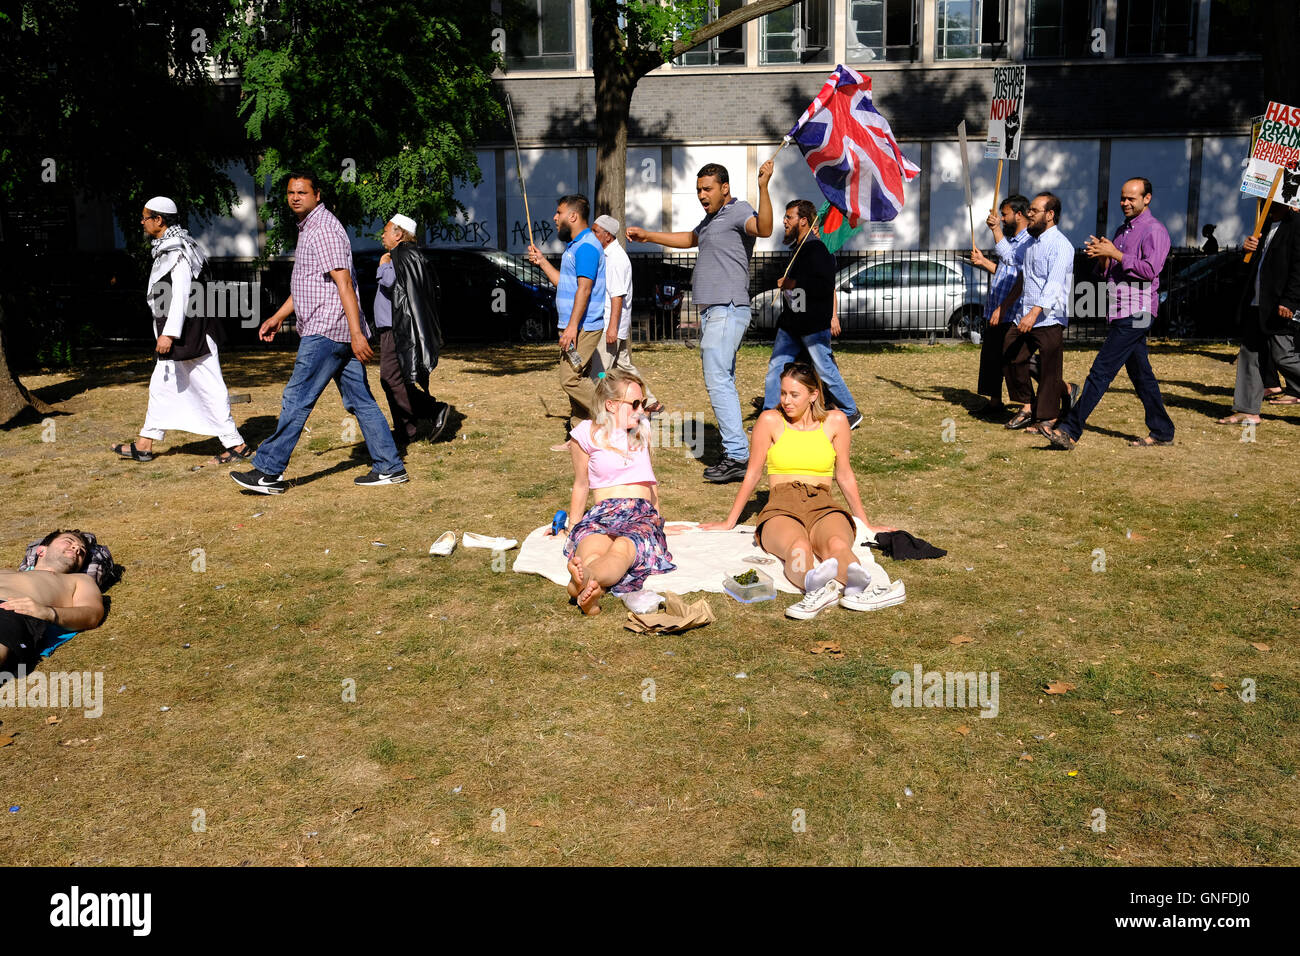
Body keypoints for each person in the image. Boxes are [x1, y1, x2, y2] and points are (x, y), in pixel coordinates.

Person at [231, 172, 407, 494]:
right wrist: (277, 317)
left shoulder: (324, 228)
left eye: (302, 192)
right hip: (333, 328)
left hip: (328, 330)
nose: (295, 197)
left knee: (296, 399)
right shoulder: (310, 227)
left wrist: (357, 333)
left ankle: (268, 471)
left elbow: (344, 284)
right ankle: (390, 467)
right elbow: (309, 286)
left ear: (317, 195)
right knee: (361, 401)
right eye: (290, 192)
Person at [701, 362, 903, 621]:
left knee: (837, 544)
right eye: (783, 393)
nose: (786, 401)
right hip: (781, 506)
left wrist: (865, 522)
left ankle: (857, 585)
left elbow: (844, 474)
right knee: (797, 547)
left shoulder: (836, 421)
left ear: (813, 395)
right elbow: (752, 473)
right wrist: (730, 521)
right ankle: (814, 585)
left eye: (794, 395)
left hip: (823, 503)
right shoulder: (770, 421)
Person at [627, 159, 775, 483]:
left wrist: (763, 187)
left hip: (727, 308)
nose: (701, 195)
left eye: (707, 189)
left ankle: (737, 456)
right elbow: (690, 239)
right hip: (713, 312)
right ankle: (736, 452)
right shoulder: (711, 220)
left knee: (717, 380)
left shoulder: (738, 211)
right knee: (723, 380)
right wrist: (647, 235)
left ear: (724, 188)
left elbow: (764, 228)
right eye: (698, 190)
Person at [111, 196, 250, 465]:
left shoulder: (178, 251)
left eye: (145, 217)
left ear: (159, 220)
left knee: (210, 388)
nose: (141, 222)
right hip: (186, 333)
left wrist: (170, 333)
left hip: (192, 335)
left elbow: (182, 296)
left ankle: (237, 445)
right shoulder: (169, 248)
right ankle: (144, 443)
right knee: (160, 385)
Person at [1046, 177, 1176, 449]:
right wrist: (1103, 256)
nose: (1125, 203)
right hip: (1120, 309)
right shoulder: (1122, 230)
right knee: (1142, 375)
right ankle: (1162, 430)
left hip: (1138, 311)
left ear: (1147, 199)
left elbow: (1150, 270)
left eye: (1132, 198)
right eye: (1123, 197)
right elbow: (1110, 271)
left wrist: (1115, 253)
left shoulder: (1155, 230)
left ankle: (1069, 430)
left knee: (1101, 370)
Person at [556, 369, 674, 616]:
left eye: (642, 403)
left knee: (622, 549)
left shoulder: (641, 430)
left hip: (640, 513)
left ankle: (584, 580)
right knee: (591, 546)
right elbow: (581, 484)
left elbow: (652, 485)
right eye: (634, 404)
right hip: (603, 511)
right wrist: (574, 527)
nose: (641, 410)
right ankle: (587, 581)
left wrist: (658, 523)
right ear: (610, 405)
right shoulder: (586, 433)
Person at [762, 199, 862, 428]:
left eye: (789, 217)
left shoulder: (817, 249)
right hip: (792, 324)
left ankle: (850, 410)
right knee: (775, 369)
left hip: (812, 325)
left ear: (803, 221)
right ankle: (769, 416)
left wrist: (793, 283)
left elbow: (825, 287)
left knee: (825, 368)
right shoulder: (799, 249)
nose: (784, 222)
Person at [527, 194, 606, 450]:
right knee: (578, 378)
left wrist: (572, 327)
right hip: (574, 326)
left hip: (583, 327)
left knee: (570, 379)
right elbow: (566, 284)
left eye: (558, 212)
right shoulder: (576, 245)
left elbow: (584, 290)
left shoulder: (586, 247)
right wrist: (542, 262)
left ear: (572, 216)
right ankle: (580, 439)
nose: (554, 217)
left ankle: (614, 416)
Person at [996, 192, 1078, 433]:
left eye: (1034, 210)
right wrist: (995, 230)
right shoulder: (1030, 243)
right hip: (1025, 313)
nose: (1029, 214)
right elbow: (1010, 259)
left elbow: (1054, 285)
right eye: (1029, 210)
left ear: (1050, 215)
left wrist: (1034, 313)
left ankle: (1048, 417)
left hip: (1049, 316)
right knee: (1011, 354)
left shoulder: (1061, 246)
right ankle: (1028, 404)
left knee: (1050, 368)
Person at [1216, 204, 1300, 426]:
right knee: (1250, 354)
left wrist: (1289, 300)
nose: (1266, 200)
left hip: (1279, 305)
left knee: (1283, 355)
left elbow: (1298, 268)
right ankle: (1247, 410)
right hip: (1256, 302)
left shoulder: (1296, 225)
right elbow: (1255, 268)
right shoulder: (1262, 225)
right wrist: (1248, 250)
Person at [375, 213, 449, 451]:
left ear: (398, 234)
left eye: (386, 231)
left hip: (397, 329)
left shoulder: (401, 256)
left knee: (391, 378)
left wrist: (383, 266)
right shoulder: (404, 255)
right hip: (393, 328)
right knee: (398, 379)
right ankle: (407, 428)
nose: (383, 235)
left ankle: (430, 410)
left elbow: (391, 283)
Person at [0, 531, 105, 674]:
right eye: (69, 541)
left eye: (82, 551)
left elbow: (93, 614)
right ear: (41, 550)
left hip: (11, 608)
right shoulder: (5, 571)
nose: (77, 549)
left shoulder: (79, 580)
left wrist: (49, 612)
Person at [590, 214, 662, 414]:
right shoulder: (609, 255)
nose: (592, 234)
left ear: (607, 235)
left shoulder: (615, 259)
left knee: (599, 372)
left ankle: (598, 415)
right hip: (614, 324)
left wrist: (612, 327)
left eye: (595, 231)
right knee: (624, 366)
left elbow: (617, 296)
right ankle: (649, 401)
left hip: (610, 325)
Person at [969, 195, 1032, 416]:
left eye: (1005, 215)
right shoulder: (1013, 240)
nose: (1003, 219)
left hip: (1012, 310)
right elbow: (1006, 271)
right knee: (992, 356)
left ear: (1019, 214)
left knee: (1016, 359)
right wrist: (984, 262)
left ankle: (1030, 403)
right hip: (997, 308)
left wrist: (995, 230)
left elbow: (1017, 269)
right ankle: (995, 402)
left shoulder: (1028, 242)